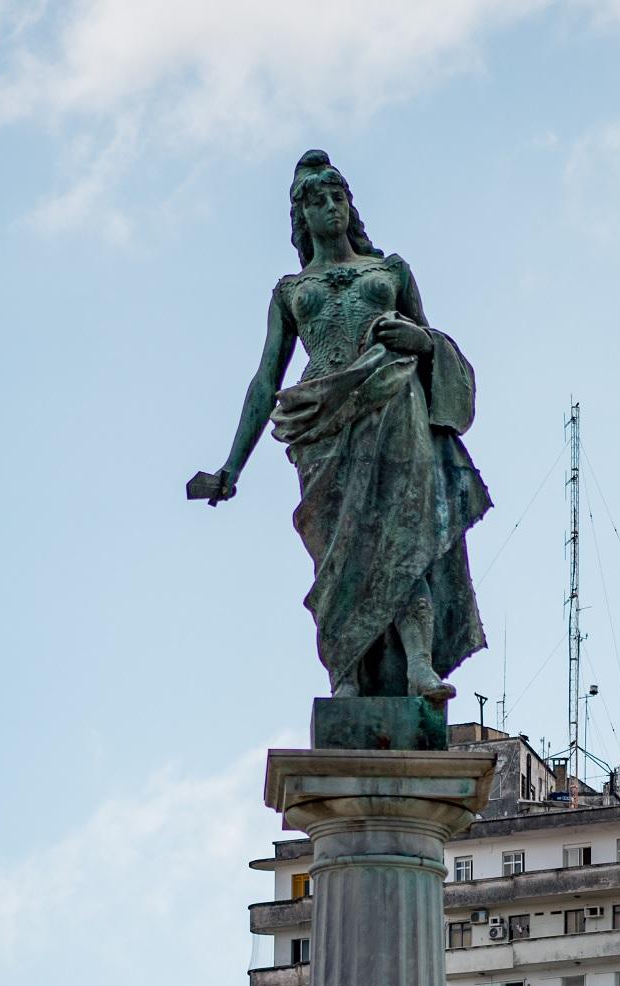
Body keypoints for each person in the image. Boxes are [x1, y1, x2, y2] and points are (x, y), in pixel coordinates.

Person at [191, 151, 490, 703]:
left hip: (392, 404)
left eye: (338, 197)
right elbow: (264, 379)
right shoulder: (289, 290)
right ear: (300, 216)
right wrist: (231, 467)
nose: (329, 206)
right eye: (316, 200)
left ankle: (419, 666)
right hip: (322, 424)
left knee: (402, 538)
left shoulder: (390, 270)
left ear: (350, 205)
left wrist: (422, 344)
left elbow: (429, 341)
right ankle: (345, 675)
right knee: (338, 554)